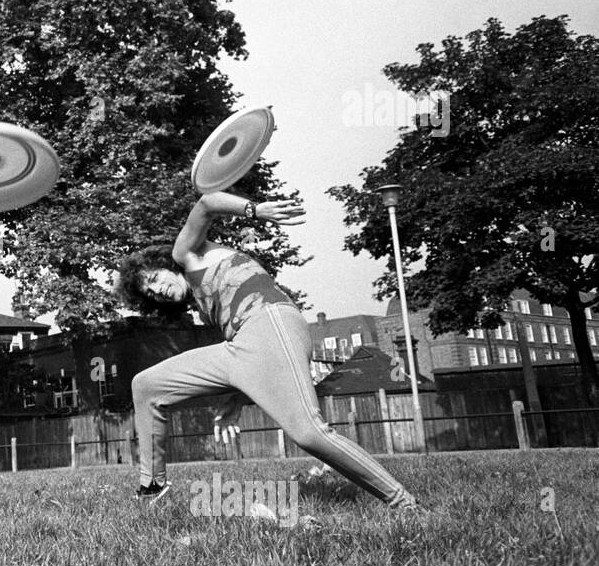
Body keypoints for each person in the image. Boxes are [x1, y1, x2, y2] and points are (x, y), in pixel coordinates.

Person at [117, 190, 418, 510]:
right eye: (150, 292)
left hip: (270, 320)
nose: (157, 290)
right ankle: (152, 486)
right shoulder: (203, 302)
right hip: (240, 344)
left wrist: (255, 210)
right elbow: (251, 359)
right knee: (147, 386)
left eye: (154, 278)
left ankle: (404, 503)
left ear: (162, 265)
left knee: (308, 434)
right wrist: (236, 399)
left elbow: (206, 204)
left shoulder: (185, 254)